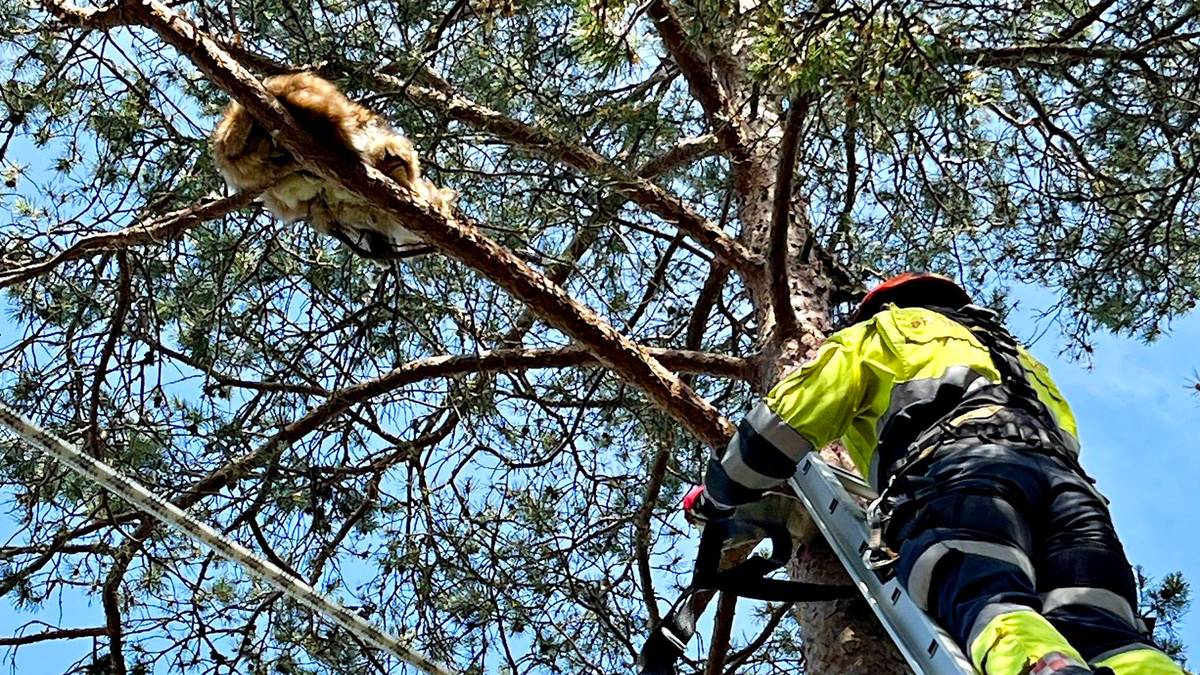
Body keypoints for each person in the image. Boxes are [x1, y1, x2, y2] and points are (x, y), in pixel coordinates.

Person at [684, 273, 1185, 675]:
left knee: (989, 602)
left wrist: (721, 493)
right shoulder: (1023, 363)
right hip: (1071, 494)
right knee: (1112, 636)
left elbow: (790, 417)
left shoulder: (889, 331)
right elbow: (1068, 436)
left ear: (887, 306)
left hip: (961, 477)